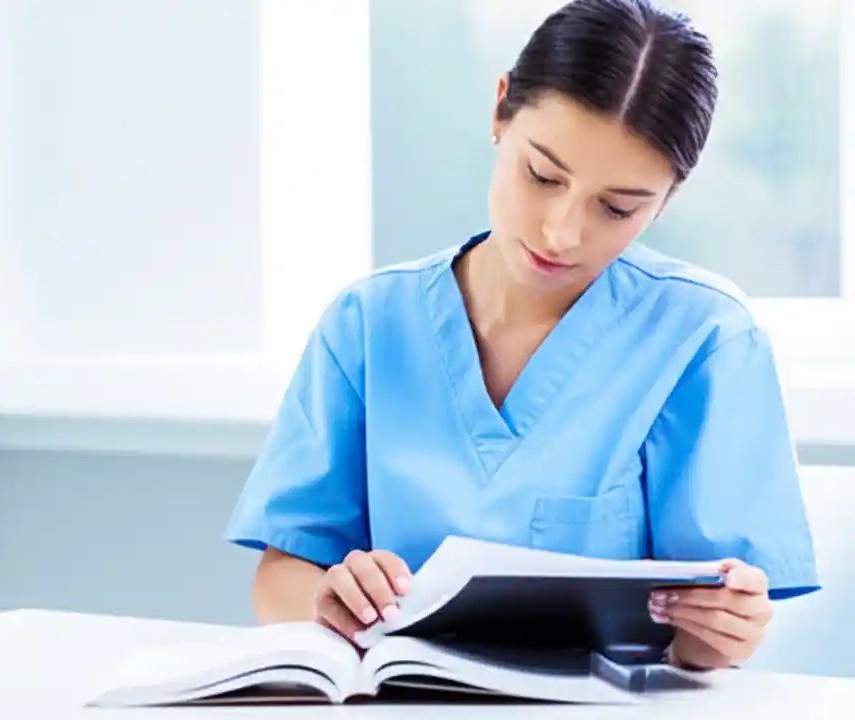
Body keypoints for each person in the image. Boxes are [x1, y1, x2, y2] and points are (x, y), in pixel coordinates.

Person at [224, 0, 820, 672]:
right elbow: (280, 575)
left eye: (618, 207)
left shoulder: (706, 339)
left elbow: (700, 639)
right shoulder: (368, 325)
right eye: (542, 175)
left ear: (668, 196)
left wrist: (722, 631)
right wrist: (327, 599)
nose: (562, 232)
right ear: (500, 110)